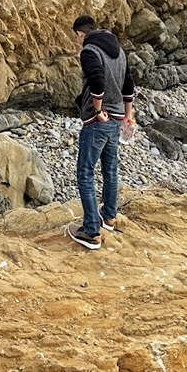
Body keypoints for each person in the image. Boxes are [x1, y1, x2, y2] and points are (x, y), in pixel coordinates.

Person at [66, 15, 134, 250]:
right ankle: (109, 217)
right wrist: (128, 114)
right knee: (110, 169)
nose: (77, 42)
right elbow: (128, 85)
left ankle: (92, 232)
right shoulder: (119, 50)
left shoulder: (89, 51)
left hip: (98, 120)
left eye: (76, 37)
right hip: (116, 119)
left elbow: (96, 80)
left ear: (80, 34)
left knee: (85, 172)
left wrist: (96, 109)